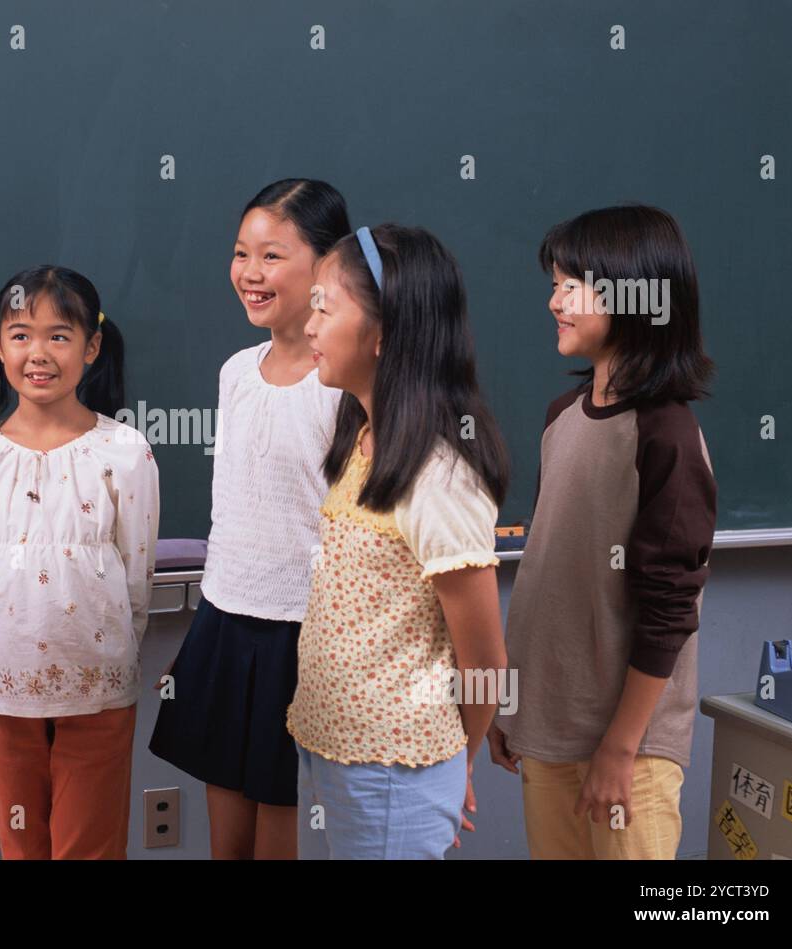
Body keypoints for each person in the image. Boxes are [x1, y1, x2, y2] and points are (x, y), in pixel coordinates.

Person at [490, 205, 716, 859]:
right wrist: (512, 708)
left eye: (571, 285)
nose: (554, 301)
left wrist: (621, 745)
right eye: (554, 283)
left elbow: (671, 607)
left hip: (629, 751)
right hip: (550, 732)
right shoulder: (563, 417)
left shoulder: (665, 433)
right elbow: (546, 575)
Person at [287, 224, 510, 859]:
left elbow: (488, 666)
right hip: (344, 754)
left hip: (395, 768)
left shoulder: (437, 477)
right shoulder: (361, 438)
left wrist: (454, 760)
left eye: (325, 306)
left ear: (385, 331)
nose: (309, 324)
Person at [148, 179, 350, 859]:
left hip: (305, 634)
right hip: (224, 622)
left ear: (327, 265)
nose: (250, 274)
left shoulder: (346, 383)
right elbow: (229, 509)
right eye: (241, 254)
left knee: (278, 844)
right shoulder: (237, 371)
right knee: (226, 845)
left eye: (272, 256)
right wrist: (209, 618)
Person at [0, 266, 159, 859]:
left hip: (97, 684)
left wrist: (114, 652)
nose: (38, 353)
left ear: (92, 346)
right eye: (20, 335)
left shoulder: (125, 452)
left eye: (59, 336)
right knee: (20, 846)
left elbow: (136, 573)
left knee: (88, 847)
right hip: (2, 683)